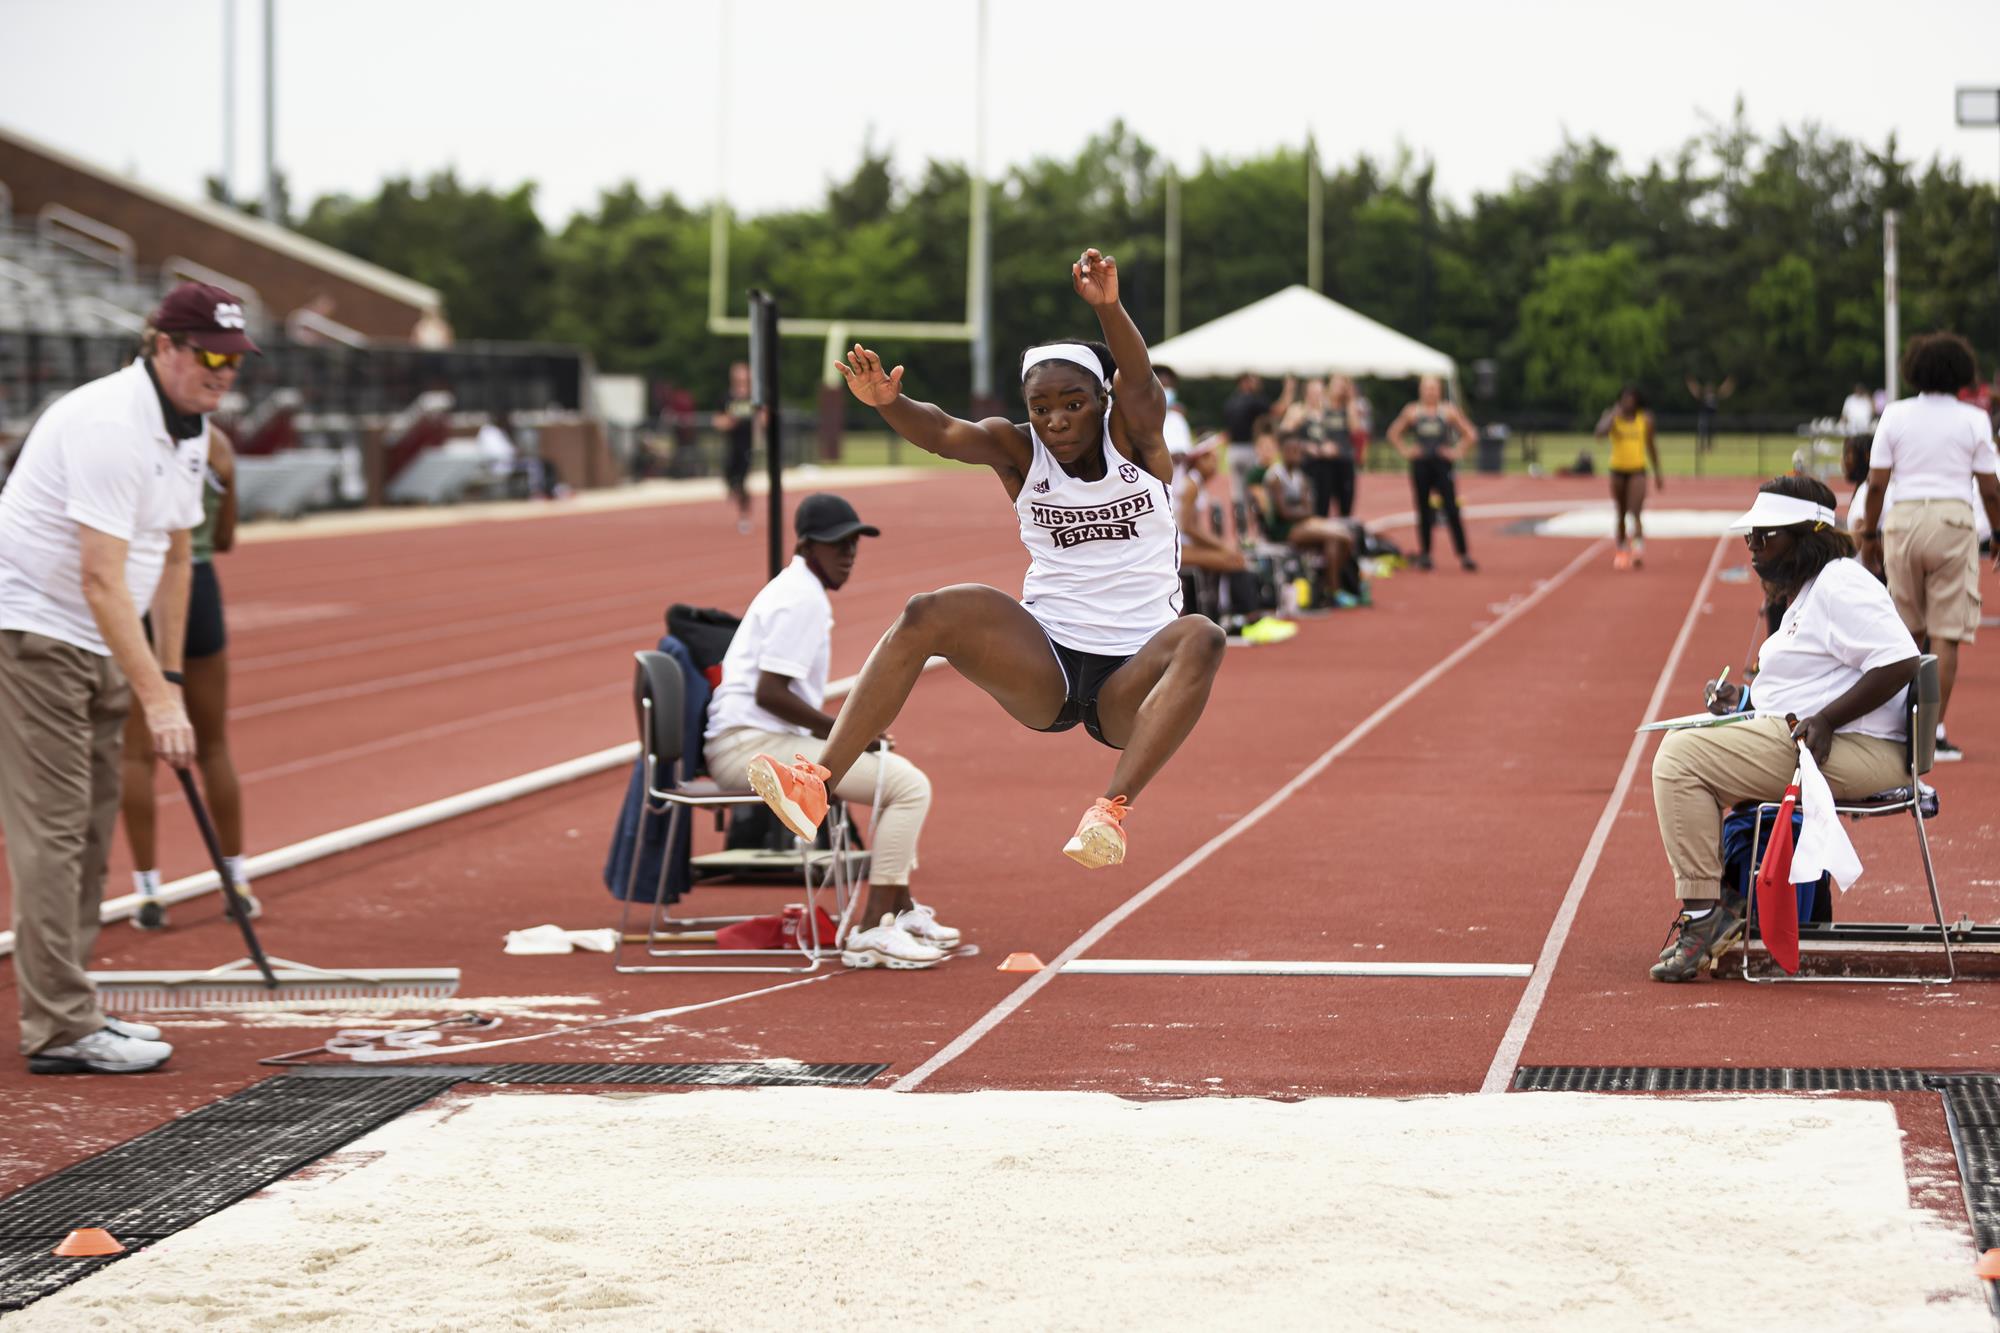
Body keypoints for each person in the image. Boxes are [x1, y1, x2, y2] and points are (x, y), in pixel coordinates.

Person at [748, 247, 1226, 874]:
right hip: (1047, 662)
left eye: (1074, 403)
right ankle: (816, 781)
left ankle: (1109, 812)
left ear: (1103, 401)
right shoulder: (1018, 450)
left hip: (1131, 673)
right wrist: (889, 404)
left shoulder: (1137, 442)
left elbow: (1139, 381)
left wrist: (1109, 309)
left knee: (1203, 637)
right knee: (928, 612)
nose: (1056, 420)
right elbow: (944, 432)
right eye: (1041, 407)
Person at [0, 281, 255, 1073]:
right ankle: (60, 1026)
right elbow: (101, 578)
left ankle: (71, 1003)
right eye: (209, 356)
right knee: (53, 831)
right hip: (37, 631)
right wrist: (156, 696)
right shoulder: (112, 422)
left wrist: (168, 674)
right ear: (164, 346)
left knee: (89, 828)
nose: (222, 373)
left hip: (102, 640)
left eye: (234, 361)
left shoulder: (191, 424)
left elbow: (178, 554)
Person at [1649, 475, 1919, 982]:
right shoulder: (1810, 590)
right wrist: (1746, 701)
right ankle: (1722, 903)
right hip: (1821, 740)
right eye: (1749, 536)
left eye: (1766, 535)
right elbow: (1812, 684)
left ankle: (1708, 915)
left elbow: (1901, 660)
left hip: (1858, 750)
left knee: (1679, 759)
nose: (1752, 546)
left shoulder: (1841, 583)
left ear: (1808, 535)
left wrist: (1828, 719)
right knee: (1682, 750)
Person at [702, 494, 950, 970]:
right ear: (808, 546)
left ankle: (900, 909)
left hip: (751, 741)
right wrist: (848, 734)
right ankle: (875, 928)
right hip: (750, 750)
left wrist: (847, 738)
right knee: (907, 785)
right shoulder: (801, 600)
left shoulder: (797, 589)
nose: (848, 554)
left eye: (854, 544)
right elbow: (769, 693)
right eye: (838, 545)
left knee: (893, 775)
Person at [118, 425, 256, 930]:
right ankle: (236, 880)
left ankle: (148, 891)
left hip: (134, 587)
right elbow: (225, 536)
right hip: (194, 585)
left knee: (134, 753)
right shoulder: (214, 443)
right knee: (213, 743)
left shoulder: (119, 436)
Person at [1857, 332, 2000, 762]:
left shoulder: (1896, 415)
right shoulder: (1973, 419)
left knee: (1904, 630)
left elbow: (1877, 483)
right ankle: (1933, 731)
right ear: (1961, 373)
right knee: (1946, 633)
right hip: (1953, 521)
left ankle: (1895, 725)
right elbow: (1990, 490)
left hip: (1902, 521)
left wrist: (1869, 535)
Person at [1386, 375, 1478, 572]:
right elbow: (1393, 433)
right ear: (1421, 390)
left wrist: (1456, 452)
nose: (1430, 392)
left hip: (1441, 465)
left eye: (1433, 388)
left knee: (1451, 508)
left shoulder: (1448, 411)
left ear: (1439, 390)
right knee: (1423, 509)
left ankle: (1463, 553)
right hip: (1421, 465)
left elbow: (1470, 433)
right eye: (1427, 388)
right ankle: (1426, 553)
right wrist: (1407, 451)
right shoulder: (1413, 411)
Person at [1594, 386, 1664, 569]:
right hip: (1617, 470)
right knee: (1621, 512)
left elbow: (1651, 447)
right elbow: (1599, 434)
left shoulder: (1645, 419)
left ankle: (1638, 548)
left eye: (1631, 399)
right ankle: (1622, 549)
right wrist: (1612, 415)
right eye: (1625, 399)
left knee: (1636, 511)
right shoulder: (1613, 418)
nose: (1628, 403)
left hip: (1637, 471)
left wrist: (1658, 473)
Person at [712, 361, 757, 534]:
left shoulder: (755, 397)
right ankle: (735, 491)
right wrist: (730, 420)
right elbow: (717, 421)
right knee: (729, 477)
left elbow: (765, 419)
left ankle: (744, 515)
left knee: (742, 480)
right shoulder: (726, 398)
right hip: (731, 444)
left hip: (748, 445)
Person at [1685, 375, 1735, 456]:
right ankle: (1702, 447)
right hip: (1704, 417)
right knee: (1702, 432)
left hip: (1712, 417)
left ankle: (1709, 448)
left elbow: (1725, 390)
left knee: (1711, 433)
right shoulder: (1703, 396)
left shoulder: (1715, 396)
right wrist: (1690, 383)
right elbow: (1695, 390)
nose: (1709, 389)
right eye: (1708, 388)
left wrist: (1729, 383)